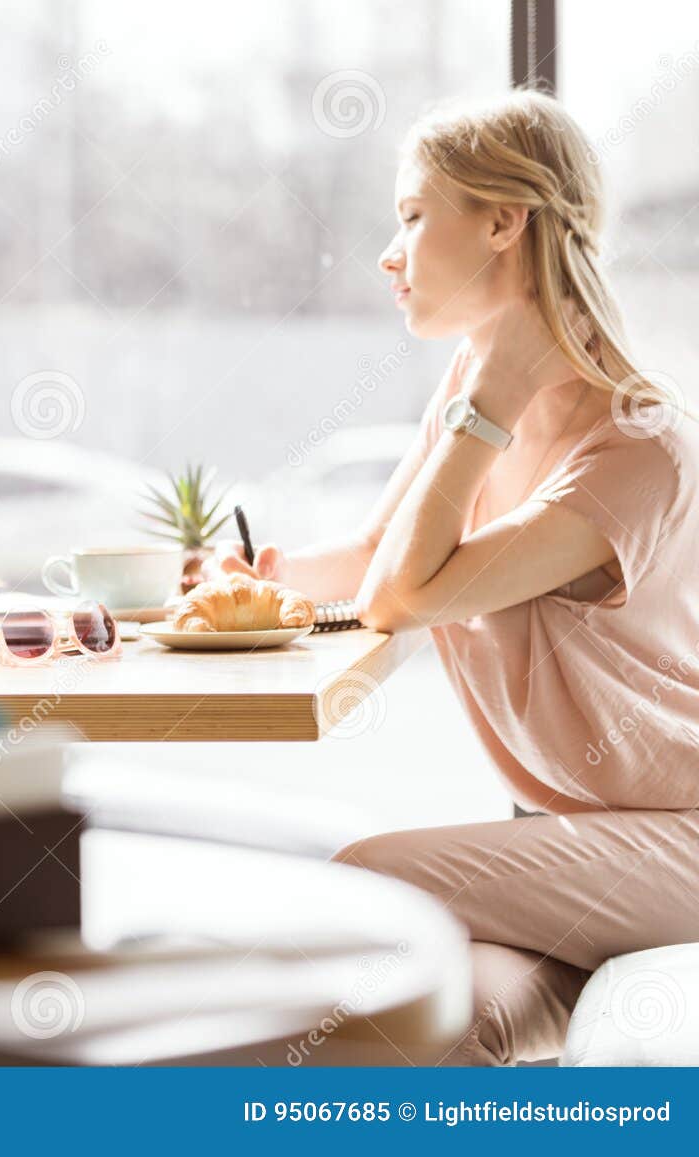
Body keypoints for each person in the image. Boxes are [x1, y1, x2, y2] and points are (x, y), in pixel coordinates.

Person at [217, 90, 699, 1065]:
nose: (386, 255)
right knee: (444, 1022)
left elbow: (406, 595)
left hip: (677, 840)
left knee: (360, 878)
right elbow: (371, 558)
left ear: (500, 221)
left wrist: (489, 403)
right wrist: (233, 578)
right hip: (581, 844)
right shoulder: (477, 390)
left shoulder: (635, 447)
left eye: (408, 215)